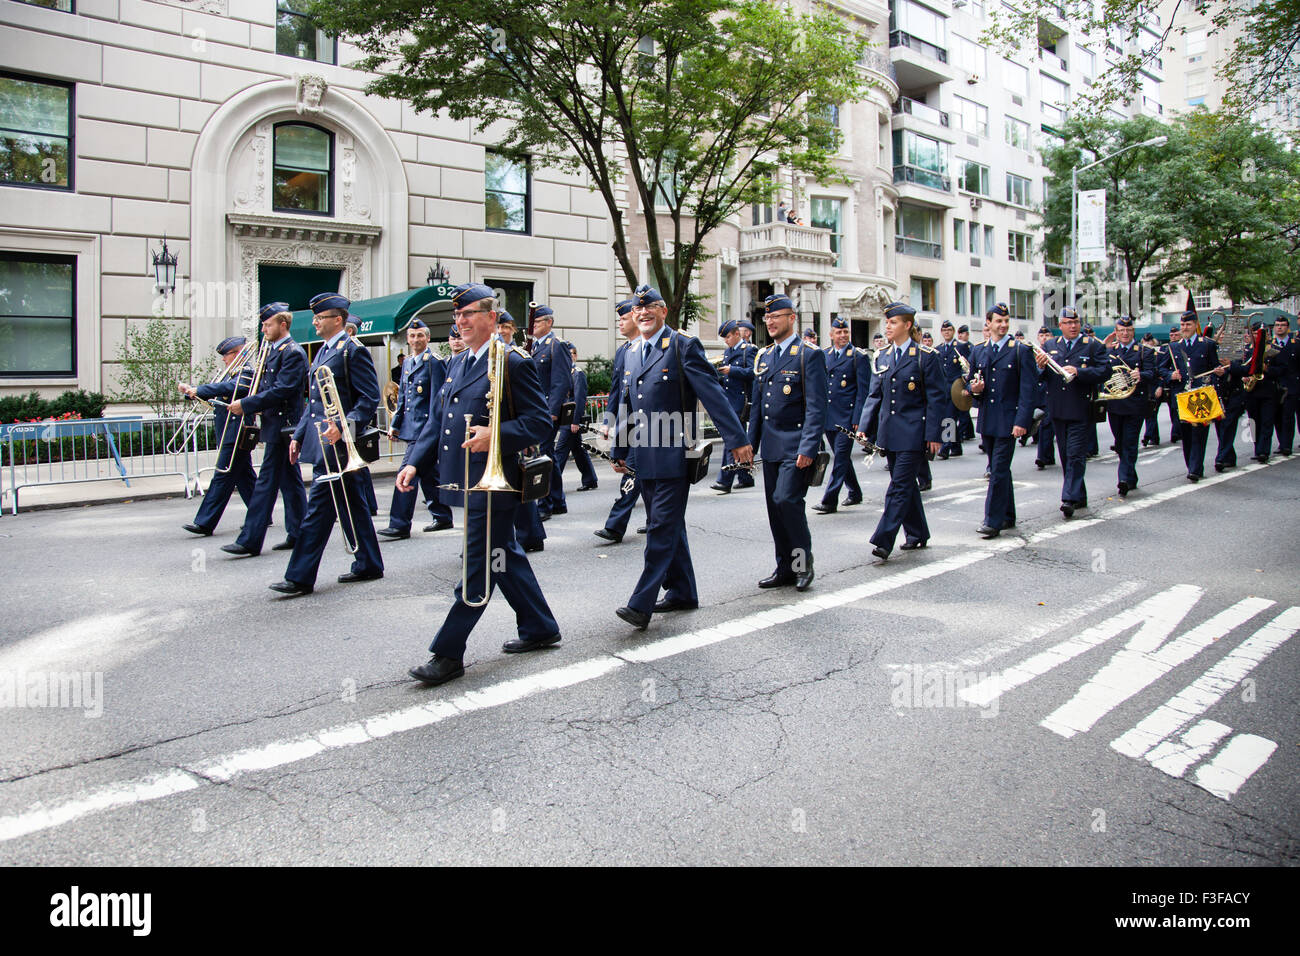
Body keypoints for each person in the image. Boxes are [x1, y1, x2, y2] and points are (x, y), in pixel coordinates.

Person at [400, 284, 560, 688]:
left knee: (479, 563)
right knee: (502, 553)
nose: (461, 321)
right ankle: (540, 625)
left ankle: (448, 652)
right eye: (457, 315)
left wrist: (497, 435)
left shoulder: (513, 361)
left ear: (491, 317)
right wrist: (412, 463)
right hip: (463, 477)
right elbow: (436, 422)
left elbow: (540, 423)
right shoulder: (455, 363)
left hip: (496, 482)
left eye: (469, 313)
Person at [610, 284, 752, 630]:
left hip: (675, 453)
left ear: (663, 311)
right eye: (636, 311)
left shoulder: (682, 345)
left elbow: (713, 394)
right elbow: (627, 405)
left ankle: (640, 603)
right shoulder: (631, 353)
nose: (642, 315)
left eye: (650, 309)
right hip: (643, 456)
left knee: (659, 528)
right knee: (671, 526)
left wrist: (738, 440)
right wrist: (619, 448)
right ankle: (684, 592)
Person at [270, 293, 384, 596]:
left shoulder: (352, 351)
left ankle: (299, 577)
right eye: (315, 317)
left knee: (318, 511)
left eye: (320, 317)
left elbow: (368, 399)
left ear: (338, 319)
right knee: (354, 507)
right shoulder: (321, 352)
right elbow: (314, 403)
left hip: (340, 444)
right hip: (324, 442)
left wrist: (345, 426)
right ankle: (369, 563)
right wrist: (297, 436)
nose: (315, 322)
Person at [747, 295, 828, 590]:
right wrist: (749, 446)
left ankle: (801, 564)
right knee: (774, 508)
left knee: (787, 500)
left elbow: (817, 407)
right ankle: (784, 567)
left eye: (776, 316)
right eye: (767, 317)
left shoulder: (808, 354)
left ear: (792, 318)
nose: (769, 322)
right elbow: (757, 407)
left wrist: (809, 447)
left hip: (795, 445)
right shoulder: (764, 356)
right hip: (771, 446)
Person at [857, 302, 946, 560]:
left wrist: (934, 435)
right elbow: (874, 395)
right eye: (887, 322)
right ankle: (918, 533)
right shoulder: (882, 356)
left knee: (898, 487)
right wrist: (865, 427)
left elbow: (936, 399)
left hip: (913, 433)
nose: (888, 326)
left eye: (893, 322)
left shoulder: (925, 357)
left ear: (907, 325)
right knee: (906, 486)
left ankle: (884, 539)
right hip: (889, 432)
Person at [218, 303, 308, 556]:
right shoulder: (273, 350)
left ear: (283, 325)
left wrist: (246, 405)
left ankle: (250, 539)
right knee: (290, 482)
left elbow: (282, 390)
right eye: (263, 324)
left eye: (268, 324)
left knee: (265, 484)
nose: (263, 329)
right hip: (276, 425)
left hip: (283, 426)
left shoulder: (292, 352)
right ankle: (299, 532)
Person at [379, 319, 454, 540]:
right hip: (411, 428)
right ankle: (442, 516)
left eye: (420, 335)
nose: (416, 340)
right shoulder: (408, 363)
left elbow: (436, 402)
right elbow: (402, 398)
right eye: (412, 336)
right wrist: (395, 424)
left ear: (428, 338)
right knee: (428, 473)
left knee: (406, 474)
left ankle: (399, 523)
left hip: (425, 431)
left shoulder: (435, 362)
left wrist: (432, 433)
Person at [966, 303, 1037, 537]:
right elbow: (970, 382)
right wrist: (974, 388)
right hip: (988, 420)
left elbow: (1028, 390)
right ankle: (1008, 514)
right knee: (1001, 469)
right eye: (998, 321)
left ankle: (992, 521)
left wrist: (1022, 421)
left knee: (997, 470)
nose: (1003, 325)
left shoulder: (1020, 350)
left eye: (1006, 321)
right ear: (988, 323)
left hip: (1009, 421)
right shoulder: (978, 351)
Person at [1035, 306, 1111, 516]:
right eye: (1068, 323)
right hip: (1058, 408)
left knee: (1076, 454)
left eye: (1076, 322)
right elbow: (1039, 377)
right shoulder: (1050, 345)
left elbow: (1105, 371)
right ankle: (1080, 495)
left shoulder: (1092, 346)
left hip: (1081, 407)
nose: (1073, 326)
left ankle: (1068, 498)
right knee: (1067, 456)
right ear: (1060, 326)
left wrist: (1080, 371)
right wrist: (1040, 367)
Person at [178, 336, 257, 536]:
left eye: (227, 355)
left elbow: (234, 388)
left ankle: (205, 522)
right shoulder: (230, 374)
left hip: (238, 431)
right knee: (244, 476)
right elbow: (217, 394)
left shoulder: (245, 372)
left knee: (222, 475)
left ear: (238, 353)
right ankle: (260, 514)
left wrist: (200, 390)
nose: (224, 360)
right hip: (230, 432)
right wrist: (192, 392)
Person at [595, 300, 647, 543]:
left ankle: (615, 525)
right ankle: (654, 519)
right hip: (628, 422)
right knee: (638, 471)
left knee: (633, 471)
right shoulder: (624, 350)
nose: (620, 323)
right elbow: (616, 390)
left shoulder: (651, 347)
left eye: (624, 318)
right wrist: (608, 420)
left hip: (651, 423)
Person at [499, 311, 546, 554]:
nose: (502, 331)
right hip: (508, 428)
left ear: (513, 330)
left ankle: (531, 535)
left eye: (506, 327)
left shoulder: (518, 357)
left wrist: (526, 436)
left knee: (523, 484)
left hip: (519, 427)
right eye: (499, 327)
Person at [813, 316, 869, 513]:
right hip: (829, 416)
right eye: (839, 332)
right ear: (831, 335)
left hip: (847, 417)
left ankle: (829, 500)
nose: (843, 335)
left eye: (846, 332)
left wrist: (858, 419)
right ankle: (855, 492)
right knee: (841, 456)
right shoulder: (825, 355)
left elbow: (864, 392)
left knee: (841, 457)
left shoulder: (858, 356)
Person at [527, 303, 574, 520]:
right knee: (548, 455)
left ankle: (544, 503)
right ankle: (558, 501)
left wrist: (553, 411)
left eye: (537, 322)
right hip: (535, 410)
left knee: (542, 454)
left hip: (547, 411)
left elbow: (561, 382)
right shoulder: (533, 347)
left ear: (549, 323)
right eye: (532, 322)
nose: (534, 326)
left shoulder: (557, 345)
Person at [1167, 307, 1224, 482]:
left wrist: (1219, 373)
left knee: (1199, 432)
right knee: (1186, 434)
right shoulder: (1173, 347)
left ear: (1196, 325)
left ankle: (1195, 468)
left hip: (1201, 396)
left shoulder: (1207, 344)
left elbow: (1215, 368)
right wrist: (1170, 375)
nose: (1184, 327)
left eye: (1188, 324)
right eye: (1182, 324)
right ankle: (1191, 464)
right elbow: (1162, 368)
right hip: (1182, 396)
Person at [1103, 316, 1155, 497]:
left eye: (1129, 330)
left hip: (1134, 404)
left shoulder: (1144, 352)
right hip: (1115, 404)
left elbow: (1153, 373)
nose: (1125, 334)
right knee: (1119, 443)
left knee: (1130, 442)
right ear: (1116, 332)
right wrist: (1105, 346)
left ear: (1133, 332)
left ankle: (1123, 479)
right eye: (1121, 330)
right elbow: (1101, 371)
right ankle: (1131, 476)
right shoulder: (1110, 351)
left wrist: (1142, 375)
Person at [709, 318, 757, 493]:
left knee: (733, 439)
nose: (726, 341)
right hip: (729, 402)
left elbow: (754, 372)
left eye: (728, 337)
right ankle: (745, 477)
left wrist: (732, 371)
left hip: (741, 402)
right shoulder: (728, 352)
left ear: (737, 334)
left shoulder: (748, 351)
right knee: (738, 438)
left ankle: (725, 480)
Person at [553, 343, 600, 491]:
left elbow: (579, 399)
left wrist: (575, 421)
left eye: (572, 353)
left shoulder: (577, 373)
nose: (570, 356)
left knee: (560, 451)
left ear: (576, 356)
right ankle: (590, 479)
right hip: (564, 418)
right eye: (567, 354)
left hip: (571, 420)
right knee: (578, 450)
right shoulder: (565, 373)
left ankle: (552, 484)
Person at [1236, 322, 1279, 465]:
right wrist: (1244, 376)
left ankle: (1263, 451)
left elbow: (1283, 370)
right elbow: (1239, 368)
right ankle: (1257, 448)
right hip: (1251, 391)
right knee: (1254, 422)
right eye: (1255, 333)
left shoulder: (1273, 350)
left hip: (1268, 391)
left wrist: (1267, 370)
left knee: (1267, 422)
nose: (1258, 336)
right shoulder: (1246, 351)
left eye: (1261, 333)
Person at [934, 319, 964, 459]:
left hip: (955, 389)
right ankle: (956, 446)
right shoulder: (938, 349)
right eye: (944, 331)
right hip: (943, 388)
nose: (947, 333)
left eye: (949, 330)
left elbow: (966, 368)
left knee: (949, 418)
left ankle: (945, 447)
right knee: (947, 417)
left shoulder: (960, 347)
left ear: (953, 331)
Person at [1272, 316, 1297, 456]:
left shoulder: (1295, 344)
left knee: (1288, 416)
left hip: (1291, 386)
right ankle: (1282, 442)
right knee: (1277, 417)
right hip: (1276, 386)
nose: (1279, 327)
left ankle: (1287, 445)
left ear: (1288, 327)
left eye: (1282, 325)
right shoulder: (1271, 345)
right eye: (1277, 325)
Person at [1033, 326, 1057, 469]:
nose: (1044, 338)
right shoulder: (1033, 351)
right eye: (1041, 336)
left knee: (1047, 423)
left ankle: (1043, 456)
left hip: (1050, 391)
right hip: (1038, 392)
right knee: (1043, 423)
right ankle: (1047, 456)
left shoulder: (1055, 350)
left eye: (1047, 335)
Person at [1141, 333, 1165, 446]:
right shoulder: (1141, 353)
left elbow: (1161, 372)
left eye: (1149, 341)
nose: (1147, 343)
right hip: (1146, 387)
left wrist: (1160, 386)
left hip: (1155, 386)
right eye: (1145, 342)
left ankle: (1147, 436)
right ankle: (1154, 437)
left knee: (1152, 412)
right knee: (1149, 413)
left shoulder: (1158, 354)